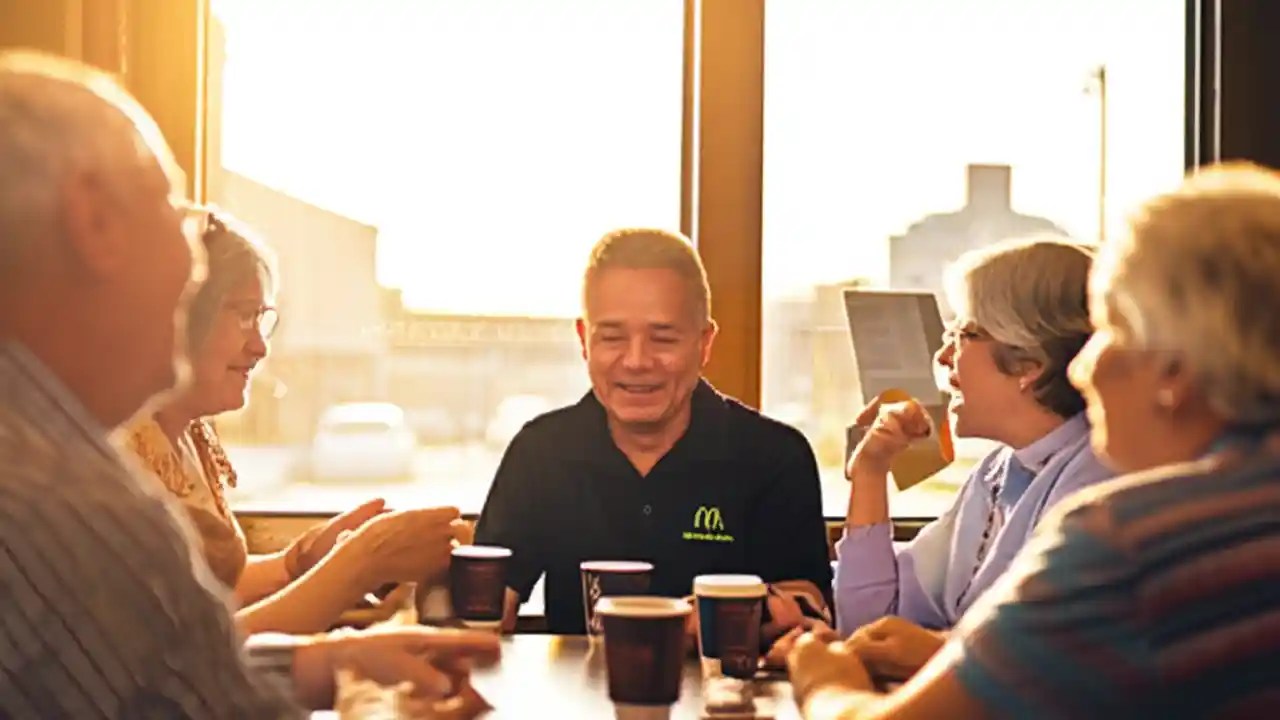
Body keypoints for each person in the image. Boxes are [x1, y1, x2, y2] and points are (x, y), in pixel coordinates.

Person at [0, 50, 496, 717]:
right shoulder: (77, 503)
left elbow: (170, 666)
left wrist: (331, 665)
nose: (191, 265)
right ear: (94, 222)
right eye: (174, 214)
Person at [788, 162, 1280, 719]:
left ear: (1174, 370)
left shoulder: (1127, 540)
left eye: (1113, 331)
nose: (1082, 367)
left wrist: (823, 681)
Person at [474, 228, 833, 638]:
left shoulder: (774, 455)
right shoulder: (541, 452)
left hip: (729, 697)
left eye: (663, 338)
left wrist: (700, 618)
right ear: (584, 340)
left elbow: (806, 604)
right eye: (612, 338)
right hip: (577, 695)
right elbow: (486, 610)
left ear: (704, 344)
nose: (637, 361)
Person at [124, 212, 464, 635]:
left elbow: (215, 588)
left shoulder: (188, 434)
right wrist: (359, 563)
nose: (260, 346)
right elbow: (199, 650)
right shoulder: (120, 453)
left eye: (263, 319)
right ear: (184, 313)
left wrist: (302, 559)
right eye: (245, 316)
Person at [829, 237, 1112, 675]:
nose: (943, 357)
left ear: (1028, 363)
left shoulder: (1094, 484)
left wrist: (933, 650)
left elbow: (1046, 664)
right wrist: (870, 473)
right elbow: (869, 624)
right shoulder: (999, 472)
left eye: (964, 334)